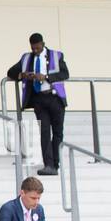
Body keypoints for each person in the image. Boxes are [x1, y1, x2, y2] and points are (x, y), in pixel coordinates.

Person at [7, 33, 69, 176]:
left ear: (43, 43)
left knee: (58, 133)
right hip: (39, 100)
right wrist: (23, 75)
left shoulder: (56, 55)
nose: (35, 51)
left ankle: (55, 163)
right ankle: (48, 165)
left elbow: (65, 74)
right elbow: (11, 72)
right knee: (44, 132)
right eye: (33, 48)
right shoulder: (26, 58)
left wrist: (46, 77)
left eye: (37, 48)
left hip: (55, 98)